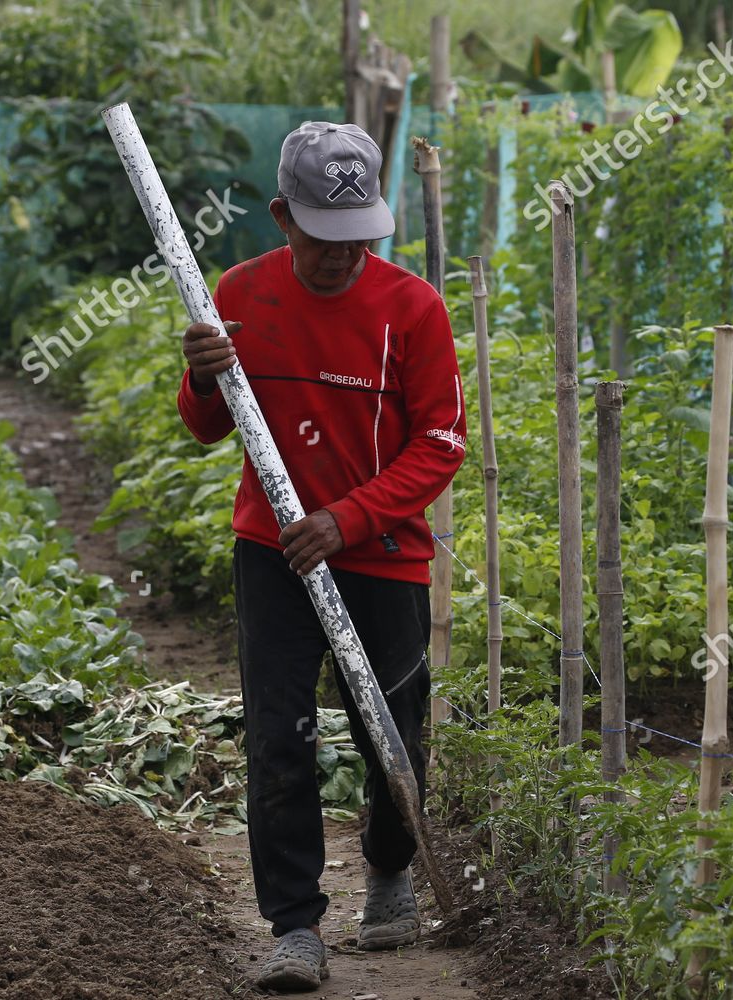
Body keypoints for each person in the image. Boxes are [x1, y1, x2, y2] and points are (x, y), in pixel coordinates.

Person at [177, 121, 466, 992]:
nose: (342, 257)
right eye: (321, 237)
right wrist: (201, 375)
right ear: (280, 216)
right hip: (273, 554)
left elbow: (443, 442)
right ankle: (296, 926)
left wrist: (349, 518)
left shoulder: (412, 309)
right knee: (279, 737)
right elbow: (204, 428)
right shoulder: (241, 294)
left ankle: (387, 867)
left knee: (393, 733)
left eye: (359, 239)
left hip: (381, 554)